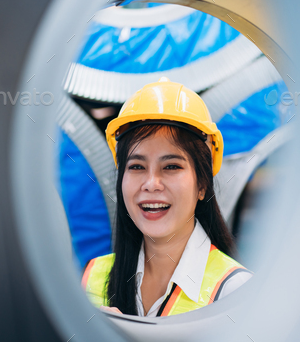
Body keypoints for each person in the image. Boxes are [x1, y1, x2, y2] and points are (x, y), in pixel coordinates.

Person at [81, 77, 252, 317]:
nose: (151, 184)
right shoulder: (94, 278)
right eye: (137, 167)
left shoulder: (235, 292)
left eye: (171, 166)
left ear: (202, 183)